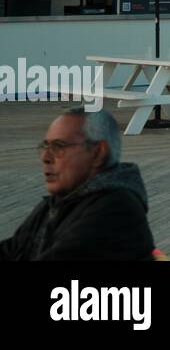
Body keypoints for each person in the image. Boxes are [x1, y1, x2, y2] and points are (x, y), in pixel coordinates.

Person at [2, 107, 154, 260]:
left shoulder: (116, 211)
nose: (46, 157)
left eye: (58, 146)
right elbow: (14, 248)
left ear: (98, 153)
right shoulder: (59, 203)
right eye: (45, 147)